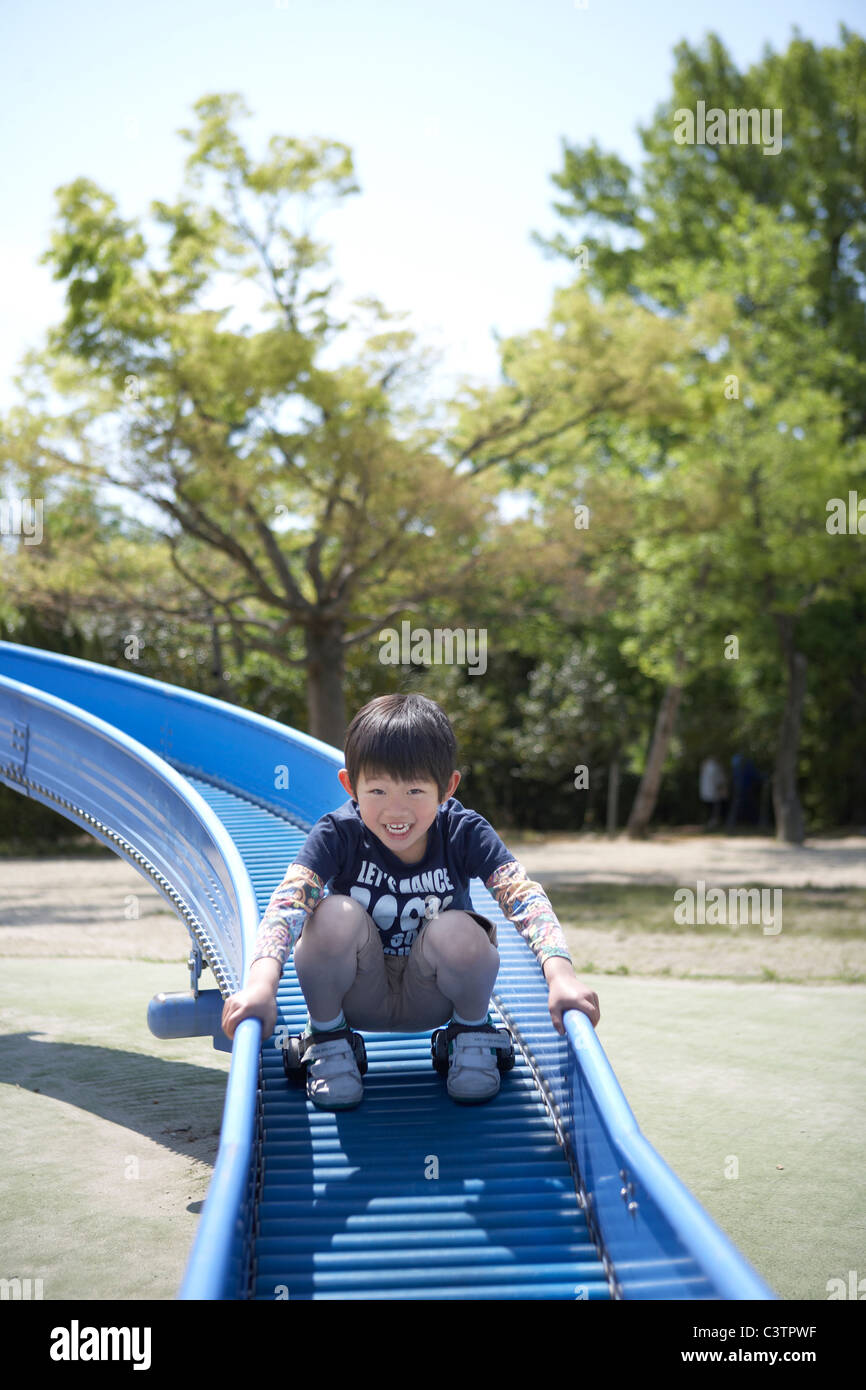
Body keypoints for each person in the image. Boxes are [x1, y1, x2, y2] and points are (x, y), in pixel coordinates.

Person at [222, 692, 600, 1109]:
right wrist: (261, 985)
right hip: (357, 991)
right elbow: (289, 903)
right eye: (378, 790)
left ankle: (470, 1035)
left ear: (447, 788)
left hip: (433, 994)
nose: (396, 810)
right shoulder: (338, 834)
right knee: (329, 914)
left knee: (461, 928)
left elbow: (523, 896)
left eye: (415, 790)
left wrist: (561, 975)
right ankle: (328, 1039)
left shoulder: (462, 832)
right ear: (350, 785)